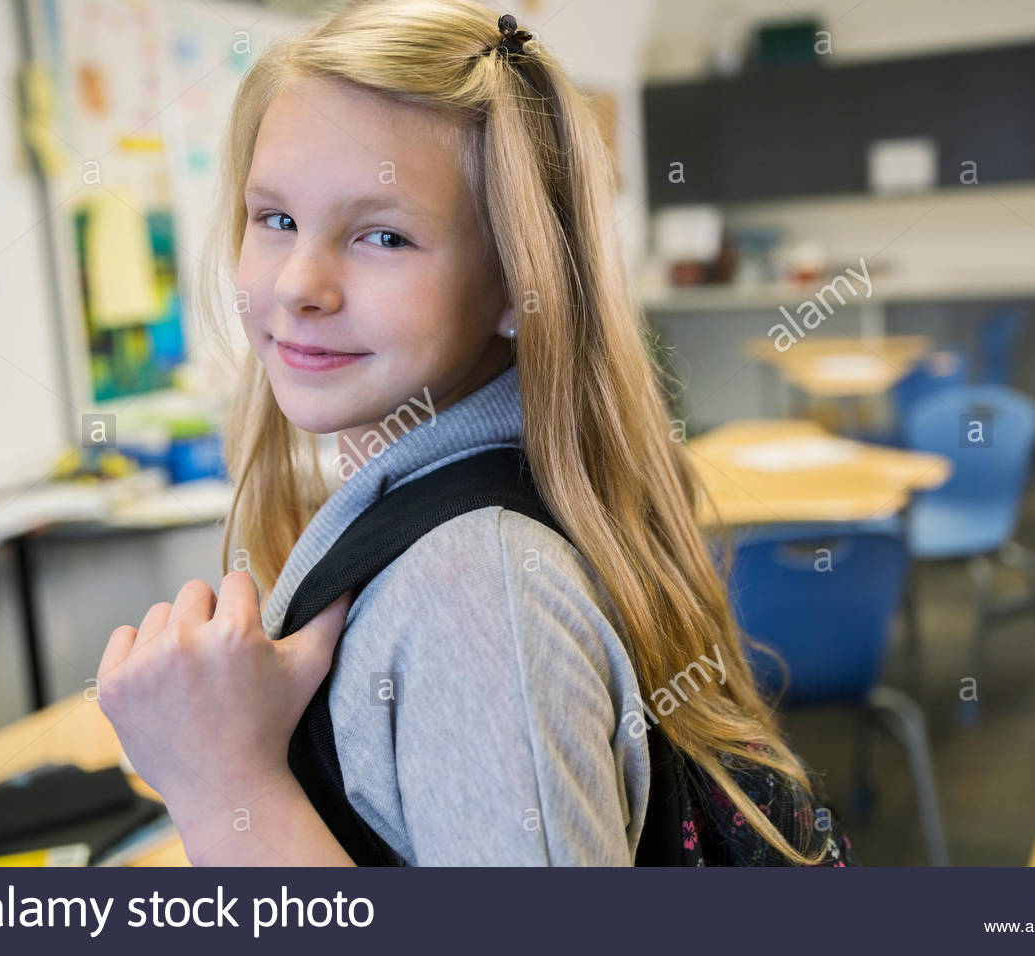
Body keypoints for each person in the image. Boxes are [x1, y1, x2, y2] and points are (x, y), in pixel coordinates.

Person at [98, 0, 851, 867]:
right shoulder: (476, 513)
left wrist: (224, 785)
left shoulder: (475, 594)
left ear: (514, 286)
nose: (301, 282)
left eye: (382, 235)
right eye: (275, 219)